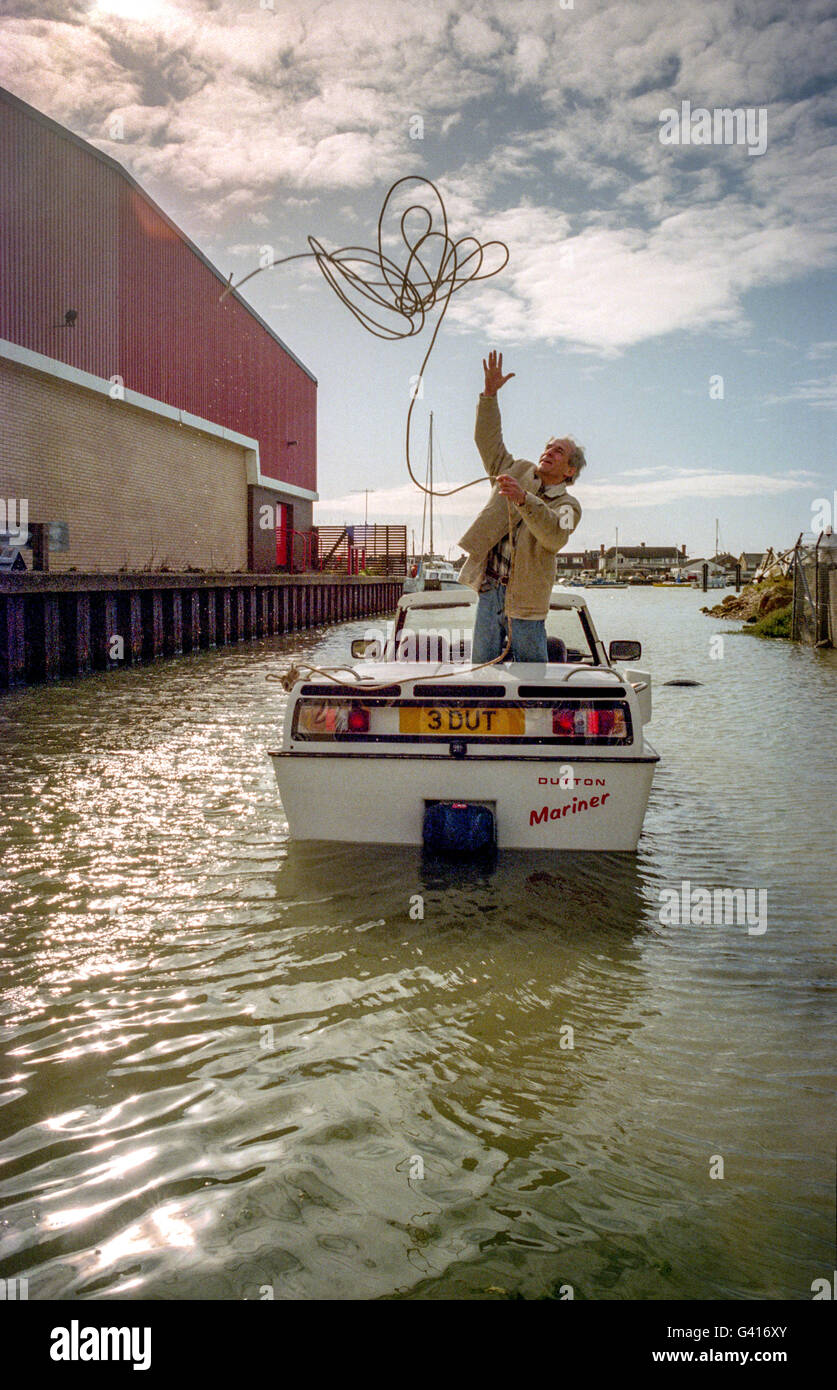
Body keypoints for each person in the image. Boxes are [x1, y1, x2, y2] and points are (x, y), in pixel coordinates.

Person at [459, 350, 585, 662]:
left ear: (570, 470)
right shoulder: (514, 470)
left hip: (528, 606)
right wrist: (489, 396)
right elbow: (488, 441)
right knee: (483, 678)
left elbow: (555, 536)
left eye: (558, 451)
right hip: (489, 593)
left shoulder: (570, 506)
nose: (549, 452)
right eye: (548, 447)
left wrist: (523, 500)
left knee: (533, 684)